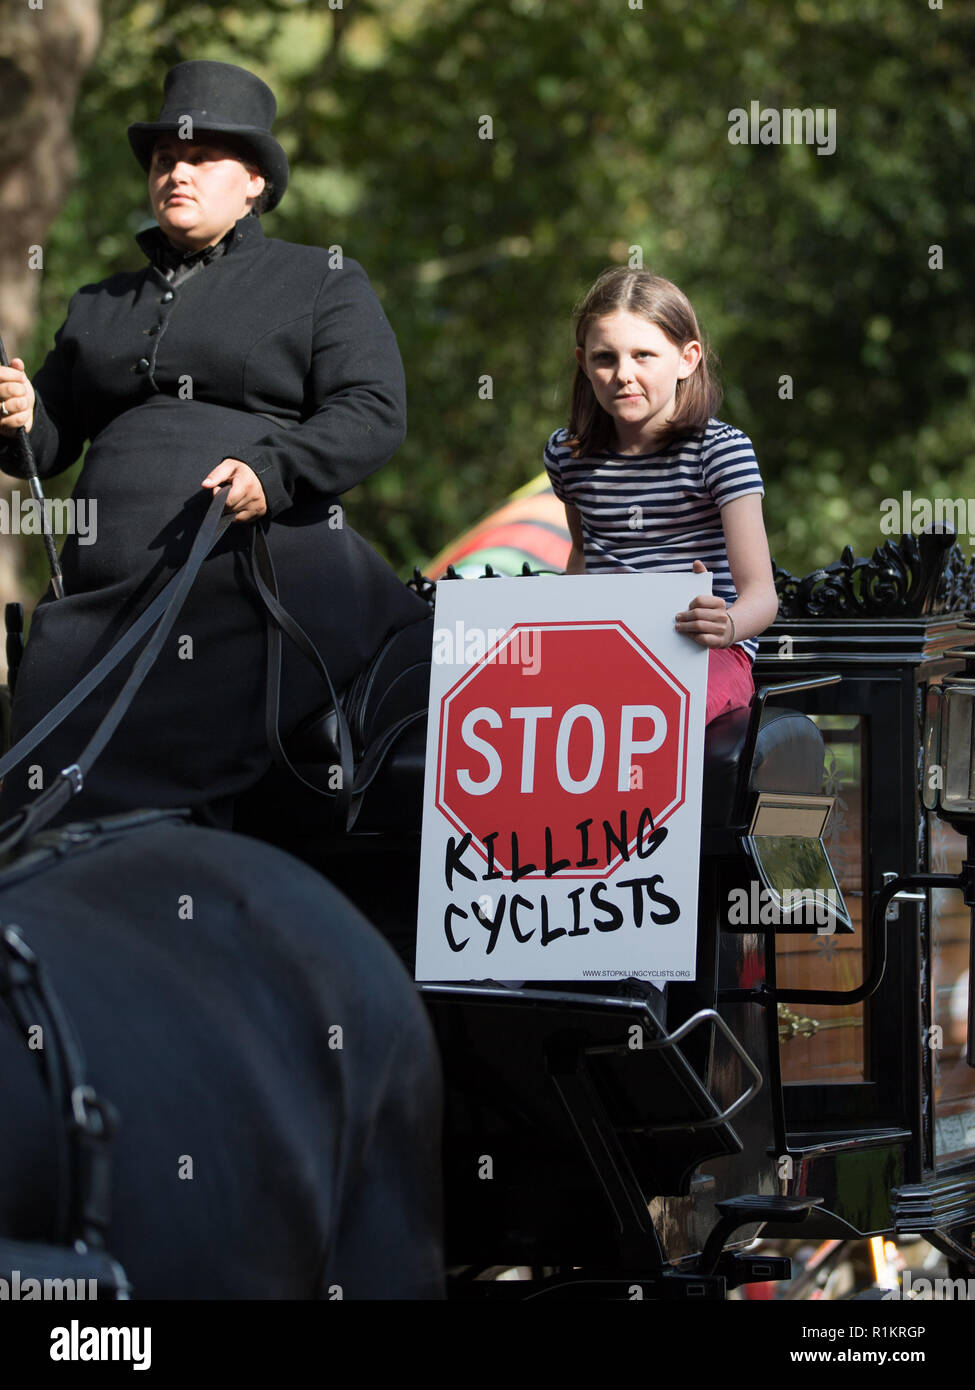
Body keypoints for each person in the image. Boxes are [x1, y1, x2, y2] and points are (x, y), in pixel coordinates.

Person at [0, 60, 431, 827]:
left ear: (255, 181)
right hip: (97, 596)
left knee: (165, 774)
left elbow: (371, 409)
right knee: (37, 778)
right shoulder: (98, 303)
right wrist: (21, 414)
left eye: (201, 158)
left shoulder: (319, 281)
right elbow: (48, 444)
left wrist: (276, 469)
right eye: (166, 159)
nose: (177, 172)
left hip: (249, 563)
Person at [543, 267, 779, 724]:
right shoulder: (565, 455)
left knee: (651, 713)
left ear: (687, 359)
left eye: (644, 355)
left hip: (704, 654)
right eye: (605, 358)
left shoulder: (721, 451)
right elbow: (582, 553)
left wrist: (726, 624)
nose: (623, 375)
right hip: (604, 653)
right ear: (583, 363)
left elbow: (761, 596)